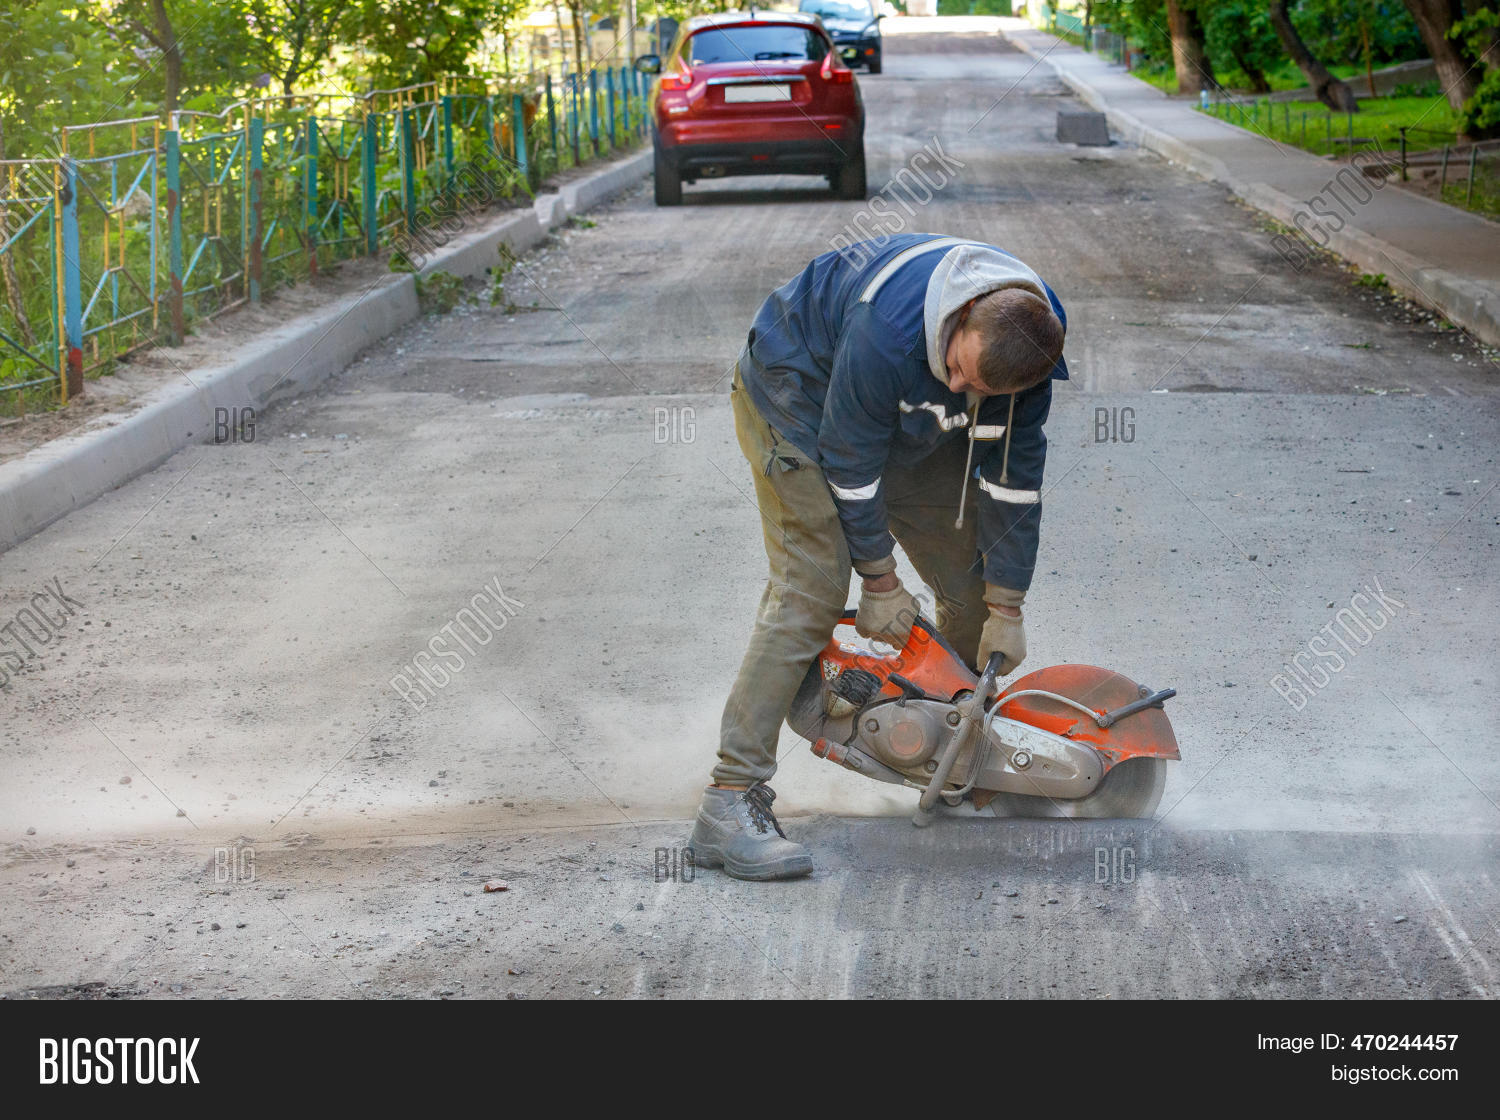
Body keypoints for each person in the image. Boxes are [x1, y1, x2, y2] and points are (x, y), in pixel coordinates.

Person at [689, 233, 1068, 880]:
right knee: (812, 589)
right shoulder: (886, 329)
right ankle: (728, 803)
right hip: (799, 399)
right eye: (955, 366)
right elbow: (850, 460)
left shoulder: (1029, 339)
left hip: (909, 423)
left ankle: (944, 747)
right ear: (961, 316)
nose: (955, 382)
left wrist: (1007, 602)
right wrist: (881, 580)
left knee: (969, 586)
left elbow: (1012, 479)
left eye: (971, 384)